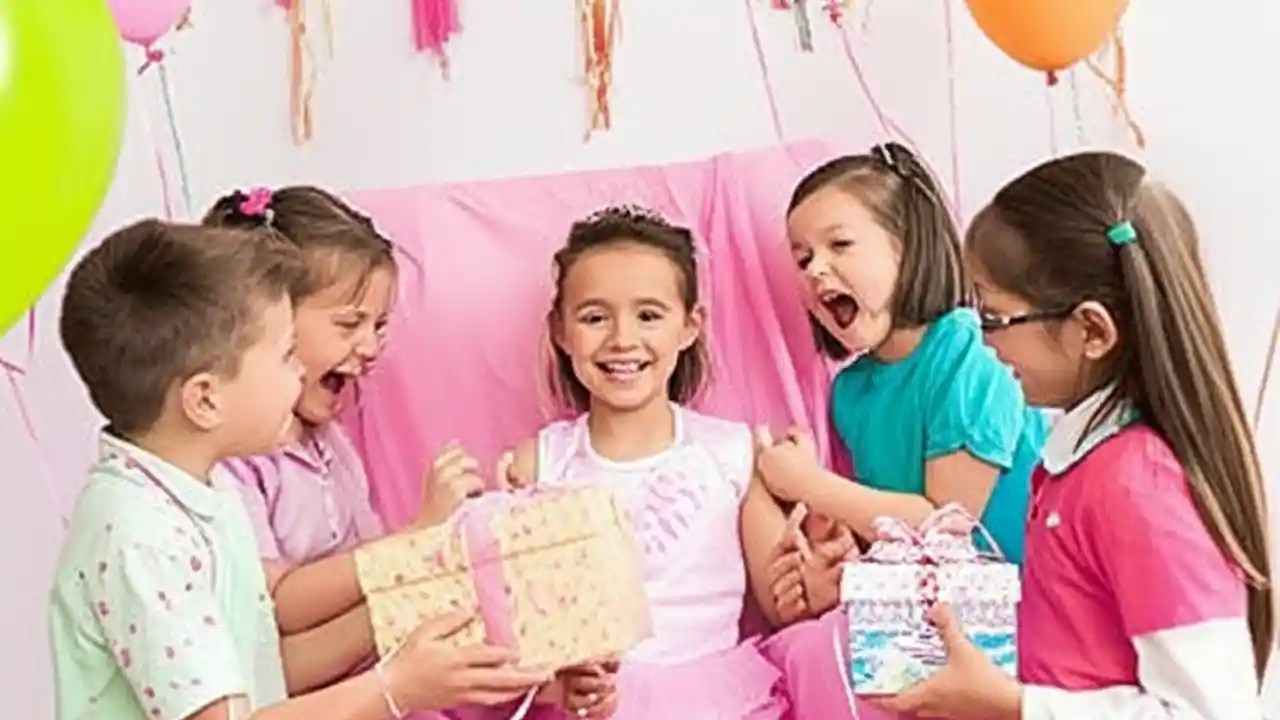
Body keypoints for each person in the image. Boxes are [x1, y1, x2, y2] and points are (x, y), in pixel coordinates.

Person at [49, 220, 548, 719]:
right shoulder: (139, 537)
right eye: (287, 355)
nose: (299, 372)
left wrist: (405, 615)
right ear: (205, 399)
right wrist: (394, 687)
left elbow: (265, 671)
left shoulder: (202, 489)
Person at [880, 151, 1270, 719]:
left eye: (993, 316)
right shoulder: (1081, 460)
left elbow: (1216, 714)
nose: (982, 341)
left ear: (1091, 329)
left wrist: (1014, 706)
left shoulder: (1137, 484)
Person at [500, 206, 796, 719]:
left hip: (715, 697)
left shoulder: (731, 452)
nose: (622, 339)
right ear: (561, 331)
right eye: (594, 318)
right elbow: (523, 627)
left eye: (649, 315)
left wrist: (813, 571)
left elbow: (783, 602)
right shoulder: (541, 465)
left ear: (690, 325)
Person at [204, 187, 485, 693]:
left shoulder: (330, 445)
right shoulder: (231, 468)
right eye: (350, 323)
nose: (372, 346)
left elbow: (367, 568)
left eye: (379, 326)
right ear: (267, 322)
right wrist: (415, 540)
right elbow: (282, 607)